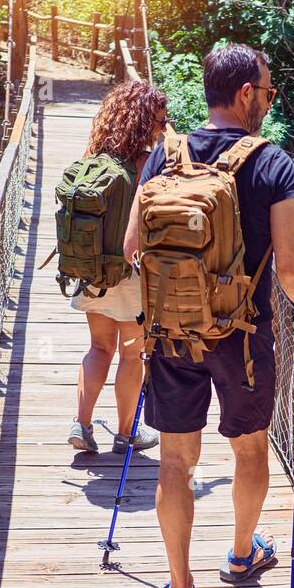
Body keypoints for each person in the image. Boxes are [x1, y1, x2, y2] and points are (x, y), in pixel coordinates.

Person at [124, 43, 294, 588]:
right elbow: (290, 268)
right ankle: (241, 556)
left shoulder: (164, 157)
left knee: (174, 461)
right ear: (245, 95)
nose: (268, 100)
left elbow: (133, 249)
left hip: (170, 333)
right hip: (244, 338)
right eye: (267, 91)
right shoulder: (272, 162)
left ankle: (181, 587)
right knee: (250, 448)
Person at [67, 79, 166, 455]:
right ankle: (126, 435)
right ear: (143, 121)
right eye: (158, 120)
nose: (162, 128)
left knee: (98, 348)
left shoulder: (94, 159)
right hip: (131, 274)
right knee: (130, 353)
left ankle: (82, 423)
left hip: (91, 270)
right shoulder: (147, 163)